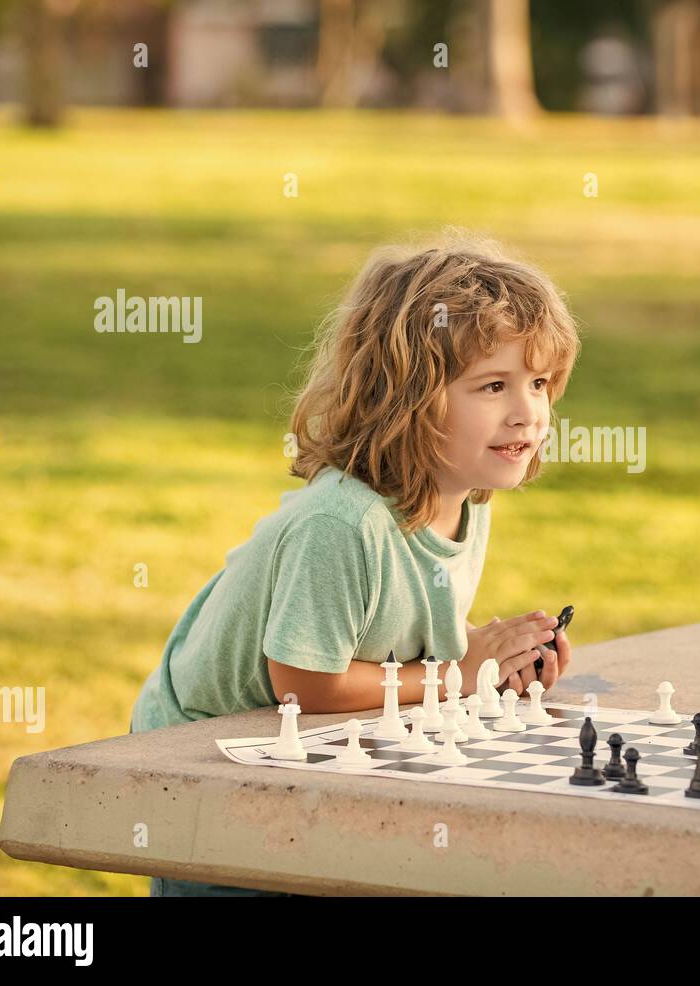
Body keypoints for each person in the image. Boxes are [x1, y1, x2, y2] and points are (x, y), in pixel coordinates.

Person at [131, 237, 580, 894]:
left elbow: (395, 635)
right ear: (406, 396)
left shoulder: (464, 501)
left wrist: (501, 664)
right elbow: (306, 682)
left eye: (538, 383)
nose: (528, 412)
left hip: (300, 756)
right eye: (493, 386)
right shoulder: (343, 525)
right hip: (203, 773)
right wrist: (459, 674)